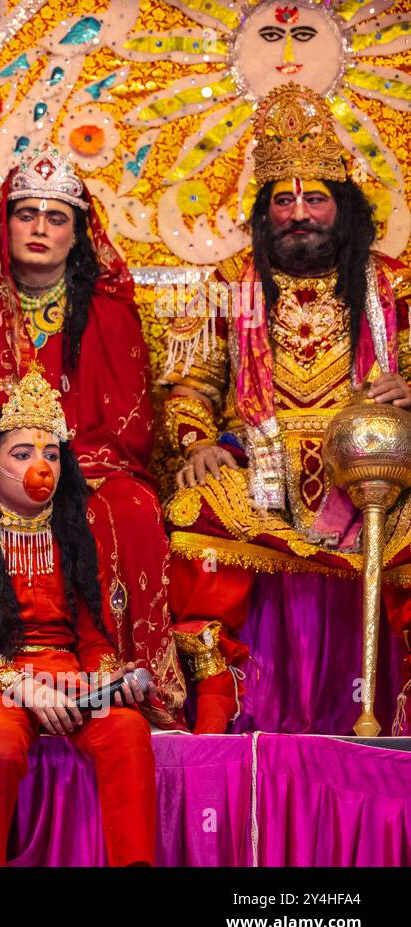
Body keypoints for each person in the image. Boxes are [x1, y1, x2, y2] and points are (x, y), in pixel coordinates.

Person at [161, 83, 411, 733]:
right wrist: (198, 442)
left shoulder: (393, 286)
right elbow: (190, 384)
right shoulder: (229, 286)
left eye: (316, 198)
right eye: (284, 199)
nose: (299, 211)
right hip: (262, 462)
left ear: (344, 207)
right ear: (264, 212)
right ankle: (220, 714)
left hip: (370, 466)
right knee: (195, 503)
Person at [0, 145, 181, 725]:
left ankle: (119, 677)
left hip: (84, 468)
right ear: (4, 225)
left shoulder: (110, 315)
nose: (39, 228)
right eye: (26, 213)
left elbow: (125, 431)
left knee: (129, 509)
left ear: (77, 235)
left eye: (56, 217)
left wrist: (55, 469)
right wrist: (4, 467)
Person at [0, 363, 156, 866]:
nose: (42, 466)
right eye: (23, 454)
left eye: (52, 455)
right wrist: (22, 687)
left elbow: (93, 637)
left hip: (69, 679)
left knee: (126, 728)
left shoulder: (78, 539)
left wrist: (109, 678)